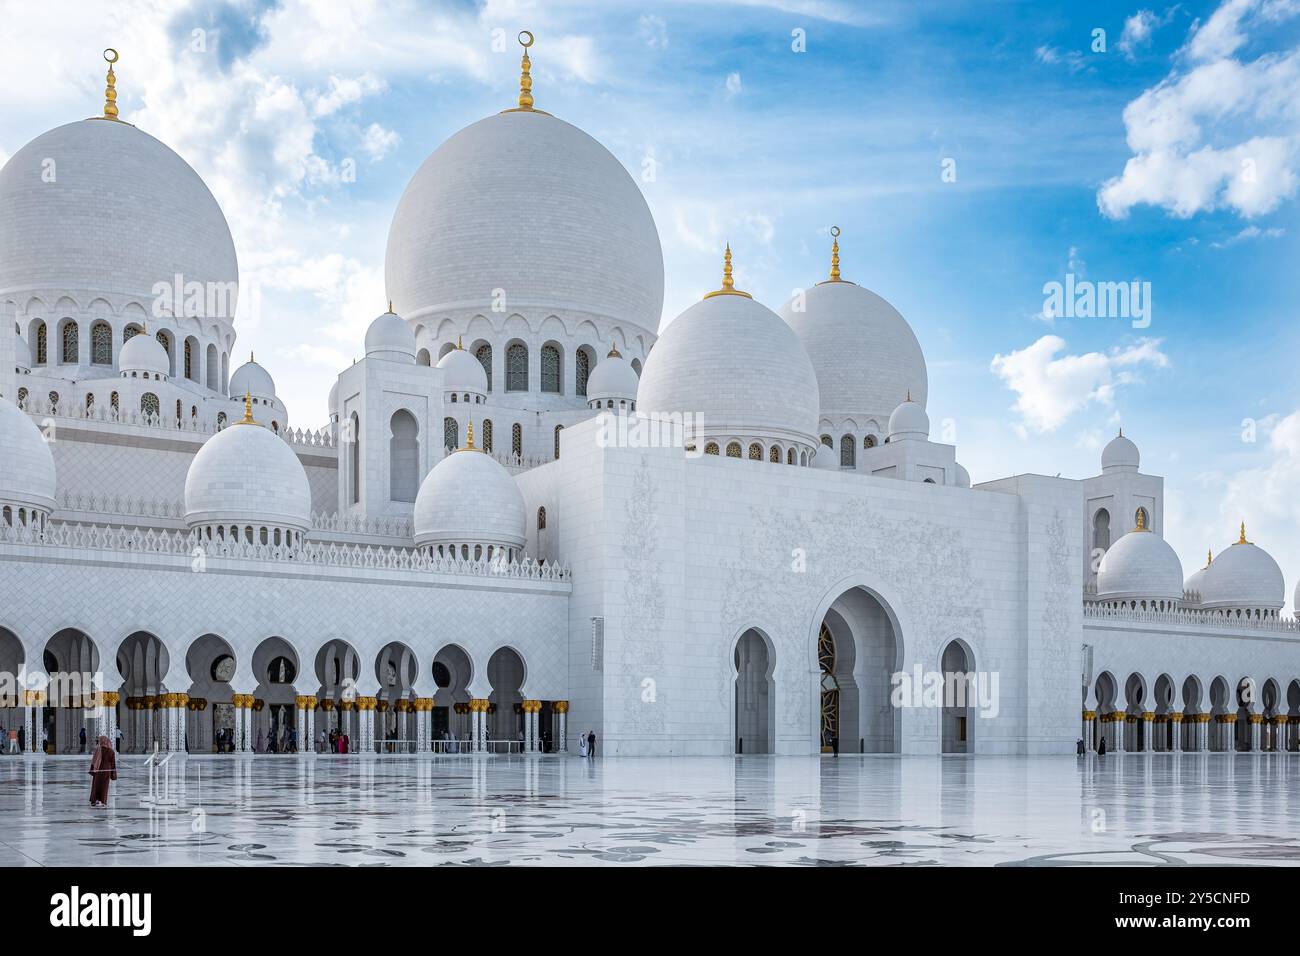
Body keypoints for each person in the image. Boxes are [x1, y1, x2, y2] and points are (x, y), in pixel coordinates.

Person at [88, 734, 116, 807]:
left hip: (98, 770)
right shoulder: (111, 751)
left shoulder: (98, 749)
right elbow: (113, 764)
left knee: (96, 785)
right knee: (104, 786)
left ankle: (94, 800)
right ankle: (103, 801)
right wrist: (113, 775)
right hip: (107, 771)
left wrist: (92, 770)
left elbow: (94, 761)